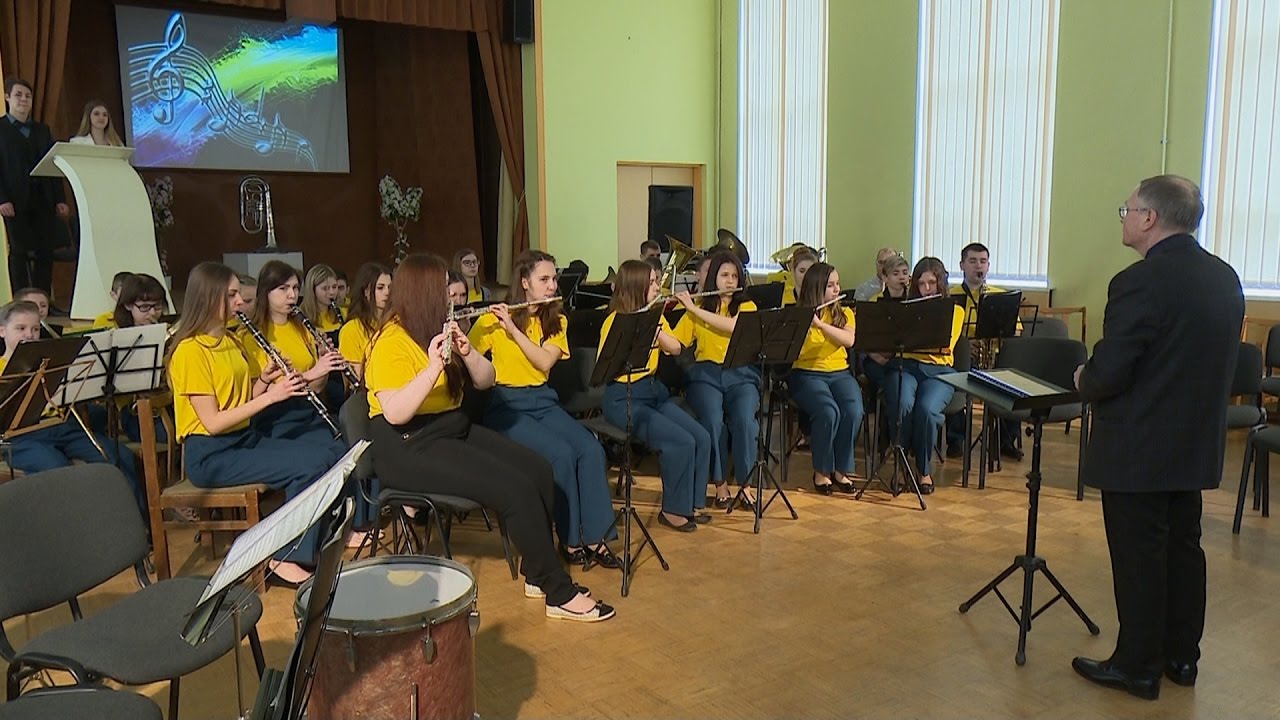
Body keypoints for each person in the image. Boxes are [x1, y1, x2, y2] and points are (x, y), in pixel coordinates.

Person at [364, 253, 613, 622]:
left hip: (448, 426)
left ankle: (537, 572)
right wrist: (433, 368)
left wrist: (467, 354)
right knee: (515, 489)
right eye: (442, 291)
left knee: (539, 469)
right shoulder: (391, 341)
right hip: (406, 444)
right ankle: (558, 593)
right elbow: (396, 413)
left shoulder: (434, 328)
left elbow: (486, 381)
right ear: (422, 293)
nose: (451, 297)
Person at [1069, 175, 1243, 700]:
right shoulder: (1224, 277)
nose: (1124, 218)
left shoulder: (1139, 281)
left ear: (1149, 218)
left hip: (1139, 446)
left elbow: (1111, 371)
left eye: (1127, 210)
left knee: (1139, 557)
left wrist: (1084, 378)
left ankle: (1137, 667)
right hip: (1194, 443)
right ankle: (1181, 658)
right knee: (1184, 550)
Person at [168, 262, 343, 586]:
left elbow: (243, 399)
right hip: (211, 454)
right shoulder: (190, 351)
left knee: (325, 456)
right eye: (231, 295)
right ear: (209, 298)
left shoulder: (231, 341)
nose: (240, 301)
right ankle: (285, 557)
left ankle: (310, 544)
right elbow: (213, 422)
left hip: (242, 439)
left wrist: (264, 379)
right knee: (308, 466)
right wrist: (273, 395)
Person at [470, 250, 619, 563]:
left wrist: (513, 330)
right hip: (506, 406)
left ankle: (597, 538)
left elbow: (543, 363)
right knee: (560, 455)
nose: (553, 285)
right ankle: (571, 540)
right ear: (524, 282)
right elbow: (466, 356)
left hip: (542, 400)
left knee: (591, 449)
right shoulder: (489, 321)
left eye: (553, 279)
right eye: (544, 279)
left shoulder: (557, 321)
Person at [0, 299, 145, 513]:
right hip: (19, 437)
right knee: (57, 468)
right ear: (2, 331)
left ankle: (136, 523)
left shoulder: (51, 364)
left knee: (119, 457)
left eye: (35, 329)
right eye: (20, 329)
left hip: (60, 426)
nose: (29, 335)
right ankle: (77, 526)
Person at [601, 260, 712, 530]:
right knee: (680, 441)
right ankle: (673, 510)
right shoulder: (615, 321)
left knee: (701, 436)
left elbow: (676, 349)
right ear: (636, 286)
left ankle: (692, 503)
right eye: (651, 282)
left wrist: (656, 327)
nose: (657, 287)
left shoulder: (656, 316)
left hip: (652, 392)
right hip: (624, 397)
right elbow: (606, 367)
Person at [674, 251, 759, 509]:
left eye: (735, 276)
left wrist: (693, 309)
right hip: (706, 375)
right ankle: (720, 482)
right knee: (712, 420)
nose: (730, 281)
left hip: (741, 374)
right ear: (713, 278)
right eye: (724, 275)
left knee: (745, 421)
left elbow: (733, 326)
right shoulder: (697, 308)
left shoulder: (747, 307)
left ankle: (746, 484)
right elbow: (676, 344)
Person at [880, 257, 964, 495]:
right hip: (905, 366)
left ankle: (922, 468)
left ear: (941, 284)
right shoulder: (905, 309)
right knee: (902, 403)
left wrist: (914, 341)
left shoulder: (955, 310)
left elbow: (945, 345)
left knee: (927, 410)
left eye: (932, 283)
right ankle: (901, 464)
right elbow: (894, 343)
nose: (927, 289)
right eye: (921, 284)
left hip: (939, 371)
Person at [242, 261, 344, 440]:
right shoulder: (250, 336)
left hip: (307, 410)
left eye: (296, 288)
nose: (292, 295)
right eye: (283, 289)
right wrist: (312, 373)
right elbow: (264, 392)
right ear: (266, 292)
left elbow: (317, 387)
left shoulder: (303, 329)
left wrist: (324, 362)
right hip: (274, 418)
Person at [788, 263, 863, 494]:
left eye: (837, 284)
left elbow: (848, 340)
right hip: (806, 373)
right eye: (830, 285)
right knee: (828, 411)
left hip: (840, 373)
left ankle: (841, 470)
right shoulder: (797, 315)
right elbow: (792, 351)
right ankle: (821, 471)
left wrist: (820, 325)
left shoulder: (845, 313)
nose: (836, 289)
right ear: (816, 287)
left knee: (853, 410)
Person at [946, 242, 1022, 460]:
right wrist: (964, 345)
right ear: (962, 265)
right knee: (956, 378)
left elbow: (1016, 331)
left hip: (994, 356)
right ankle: (956, 439)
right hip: (965, 357)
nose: (978, 266)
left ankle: (1005, 440)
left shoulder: (1002, 296)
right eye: (972, 261)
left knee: (1015, 381)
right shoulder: (950, 297)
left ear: (988, 266)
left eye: (983, 261)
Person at [0, 77, 69, 292]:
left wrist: (60, 199)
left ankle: (43, 300)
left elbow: (53, 164)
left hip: (43, 199)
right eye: (18, 95)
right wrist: (2, 199)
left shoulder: (42, 130)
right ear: (7, 97)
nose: (23, 99)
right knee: (18, 252)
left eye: (28, 96)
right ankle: (22, 301)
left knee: (45, 252)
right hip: (14, 201)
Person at [338, 262, 392, 381]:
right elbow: (356, 377)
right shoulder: (351, 330)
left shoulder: (395, 324)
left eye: (390, 287)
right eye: (380, 288)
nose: (387, 292)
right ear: (366, 291)